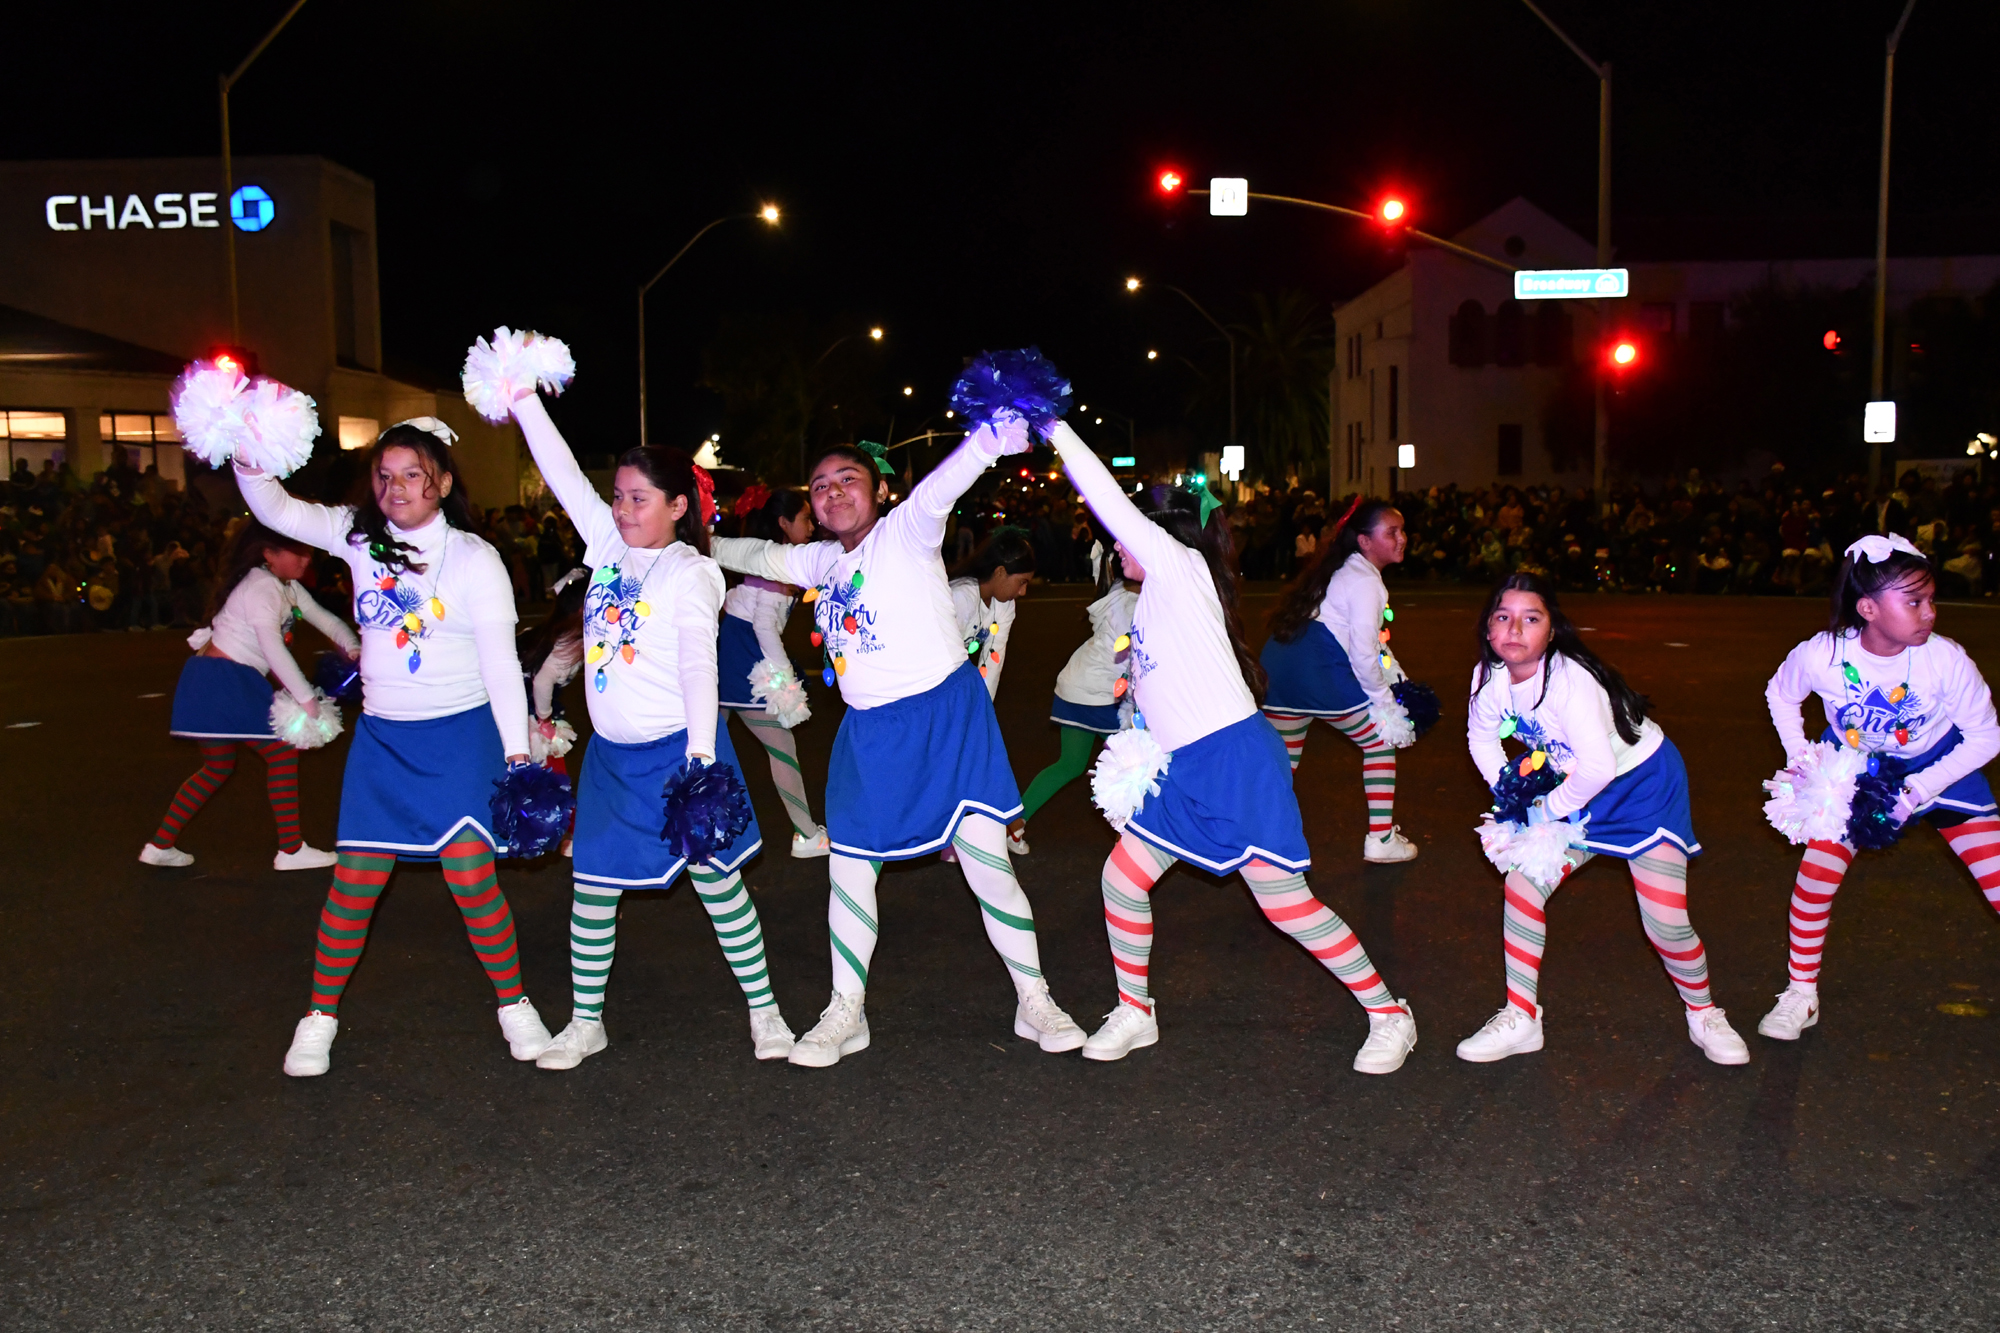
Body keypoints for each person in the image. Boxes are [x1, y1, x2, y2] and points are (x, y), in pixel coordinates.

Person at [1046, 421, 1418, 1072]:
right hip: (1182, 768)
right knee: (1122, 878)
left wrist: (1054, 428)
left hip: (1235, 762)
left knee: (1287, 906)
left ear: (1163, 534)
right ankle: (1136, 1009)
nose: (1116, 537)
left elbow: (1102, 496)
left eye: (1132, 525)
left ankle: (1390, 1014)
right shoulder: (1155, 594)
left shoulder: (1181, 567)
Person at [710, 425, 1085, 1067]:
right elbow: (756, 555)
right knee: (850, 872)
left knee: (988, 867)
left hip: (946, 718)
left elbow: (951, 475)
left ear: (880, 490)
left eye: (847, 480)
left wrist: (996, 429)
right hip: (870, 733)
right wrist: (688, 539)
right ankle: (845, 1010)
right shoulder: (821, 561)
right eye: (821, 486)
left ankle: (1035, 999)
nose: (832, 494)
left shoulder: (908, 528)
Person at [236, 418, 552, 1077]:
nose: (396, 486)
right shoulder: (358, 539)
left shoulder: (474, 558)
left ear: (440, 481)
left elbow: (500, 665)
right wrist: (244, 448)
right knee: (354, 885)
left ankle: (514, 1004)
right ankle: (318, 1017)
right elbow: (273, 505)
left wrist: (518, 756)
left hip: (460, 738)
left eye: (412, 473)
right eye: (384, 474)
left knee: (472, 879)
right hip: (383, 741)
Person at [508, 390, 794, 1068]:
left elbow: (701, 665)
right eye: (619, 496)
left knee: (721, 886)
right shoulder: (607, 550)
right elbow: (561, 471)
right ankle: (585, 1021)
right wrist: (520, 396)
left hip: (680, 753)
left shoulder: (692, 572)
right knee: (592, 889)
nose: (623, 509)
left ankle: (767, 1011)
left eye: (641, 498)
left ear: (678, 507)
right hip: (612, 760)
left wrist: (701, 761)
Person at [1457, 573, 1749, 1066]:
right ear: (1488, 630)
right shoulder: (1488, 677)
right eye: (1503, 618)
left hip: (1641, 786)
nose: (1514, 629)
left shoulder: (1570, 682)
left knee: (1665, 922)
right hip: (1573, 784)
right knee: (1522, 886)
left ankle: (1705, 1012)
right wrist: (1509, 797)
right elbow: (1481, 738)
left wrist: (1539, 812)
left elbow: (1600, 768)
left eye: (1531, 619)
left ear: (1551, 632)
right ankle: (1522, 1016)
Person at [1757, 535, 2000, 1040]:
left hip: (1941, 765)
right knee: (1815, 878)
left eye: (1930, 599)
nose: (1929, 612)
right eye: (1913, 602)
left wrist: (1916, 791)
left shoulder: (1945, 659)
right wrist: (1803, 759)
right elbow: (1781, 694)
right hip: (1855, 771)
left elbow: (1985, 737)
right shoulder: (1821, 654)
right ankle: (1801, 994)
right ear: (1868, 608)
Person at [139, 520, 355, 871]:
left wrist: (353, 646)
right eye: (297, 551)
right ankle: (291, 849)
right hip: (227, 678)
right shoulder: (263, 588)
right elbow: (272, 647)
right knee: (282, 753)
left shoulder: (286, 588)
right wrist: (306, 698)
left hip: (209, 677)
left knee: (217, 766)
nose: (306, 559)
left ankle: (159, 845)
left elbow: (324, 619)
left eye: (308, 550)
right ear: (269, 554)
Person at [1259, 499, 1421, 862]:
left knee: (1283, 760)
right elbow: (1364, 654)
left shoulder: (1338, 569)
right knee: (1380, 743)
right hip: (1317, 669)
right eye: (1391, 532)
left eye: (1402, 530)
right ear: (1365, 542)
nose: (1402, 539)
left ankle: (1253, 833)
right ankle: (1380, 841)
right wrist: (1384, 701)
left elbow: (1367, 646)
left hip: (1280, 666)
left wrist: (1395, 675)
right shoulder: (1364, 580)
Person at [716, 487, 829, 857]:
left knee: (702, 746)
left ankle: (669, 825)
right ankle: (806, 835)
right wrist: (785, 683)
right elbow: (764, 626)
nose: (811, 526)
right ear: (784, 523)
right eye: (805, 519)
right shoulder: (774, 564)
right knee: (781, 747)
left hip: (731, 654)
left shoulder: (773, 560)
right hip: (741, 660)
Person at [1013, 549, 1141, 850]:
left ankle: (1013, 825)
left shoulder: (1112, 591)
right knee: (1136, 768)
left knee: (1069, 764)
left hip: (1075, 682)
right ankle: (1137, 845)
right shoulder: (1141, 604)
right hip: (1100, 693)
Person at [948, 527, 1036, 855]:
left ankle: (969, 836)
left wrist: (980, 714)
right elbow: (940, 660)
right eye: (1021, 581)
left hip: (958, 693)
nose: (1023, 591)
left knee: (978, 757)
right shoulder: (960, 597)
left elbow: (992, 662)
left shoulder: (1004, 605)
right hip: (928, 691)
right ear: (1000, 572)